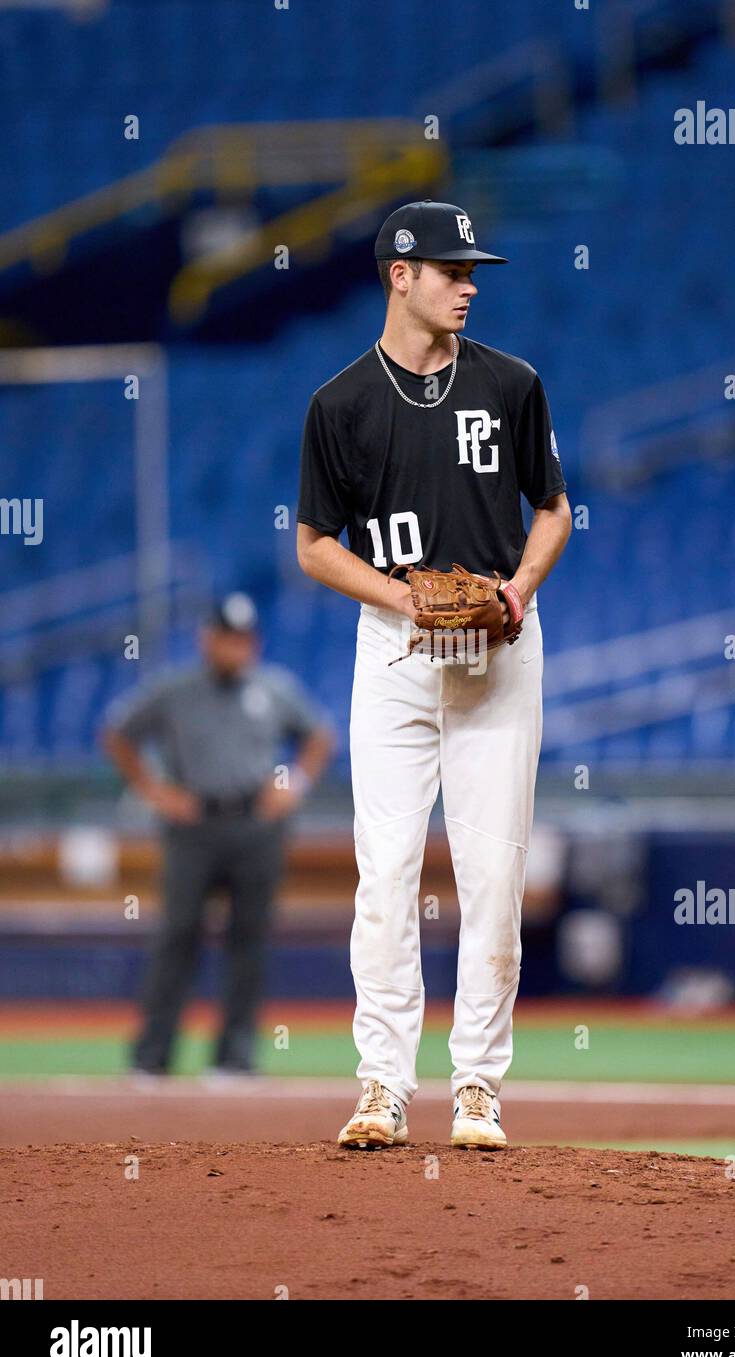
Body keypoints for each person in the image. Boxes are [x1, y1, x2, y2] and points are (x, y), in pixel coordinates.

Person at [297, 200, 571, 1149]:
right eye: (451, 269)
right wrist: (400, 597)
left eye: (473, 270)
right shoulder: (340, 405)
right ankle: (381, 1085)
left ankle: (478, 1091)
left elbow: (555, 510)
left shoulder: (512, 383)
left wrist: (524, 586)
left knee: (493, 880)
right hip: (396, 652)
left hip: (498, 652)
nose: (469, 284)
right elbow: (312, 546)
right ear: (398, 276)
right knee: (387, 876)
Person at [102, 592, 334, 1076]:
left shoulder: (273, 687)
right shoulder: (175, 689)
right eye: (228, 637)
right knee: (178, 934)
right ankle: (152, 1057)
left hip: (257, 825)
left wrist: (295, 784)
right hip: (193, 826)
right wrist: (153, 789)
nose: (236, 647)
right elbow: (118, 732)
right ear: (207, 638)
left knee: (249, 939)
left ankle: (234, 1057)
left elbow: (318, 735)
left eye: (245, 638)